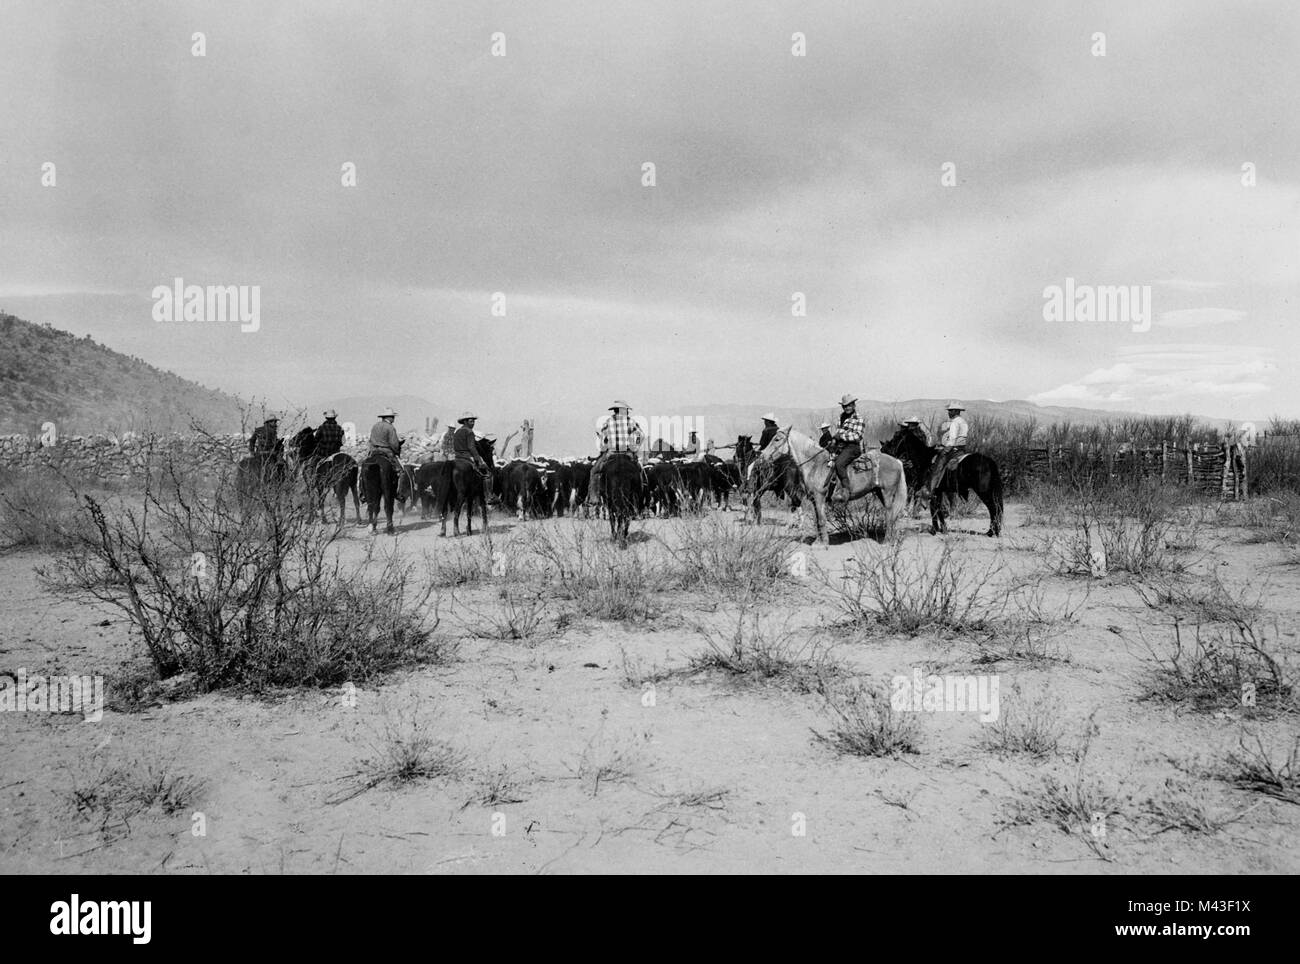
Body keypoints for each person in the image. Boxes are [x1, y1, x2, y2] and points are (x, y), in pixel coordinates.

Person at [588, 400, 644, 504]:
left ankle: (594, 497)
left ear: (615, 410)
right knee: (640, 471)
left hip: (611, 454)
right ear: (624, 411)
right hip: (627, 453)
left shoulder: (608, 422)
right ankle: (640, 495)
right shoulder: (631, 421)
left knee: (594, 471)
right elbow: (641, 435)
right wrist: (635, 447)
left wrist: (605, 446)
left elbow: (603, 439)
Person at [926, 402, 969, 495]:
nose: (948, 413)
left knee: (937, 467)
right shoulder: (963, 421)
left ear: (956, 411)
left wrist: (945, 450)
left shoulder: (954, 422)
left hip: (953, 450)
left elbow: (952, 439)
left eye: (950, 411)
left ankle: (931, 490)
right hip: (961, 449)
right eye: (949, 411)